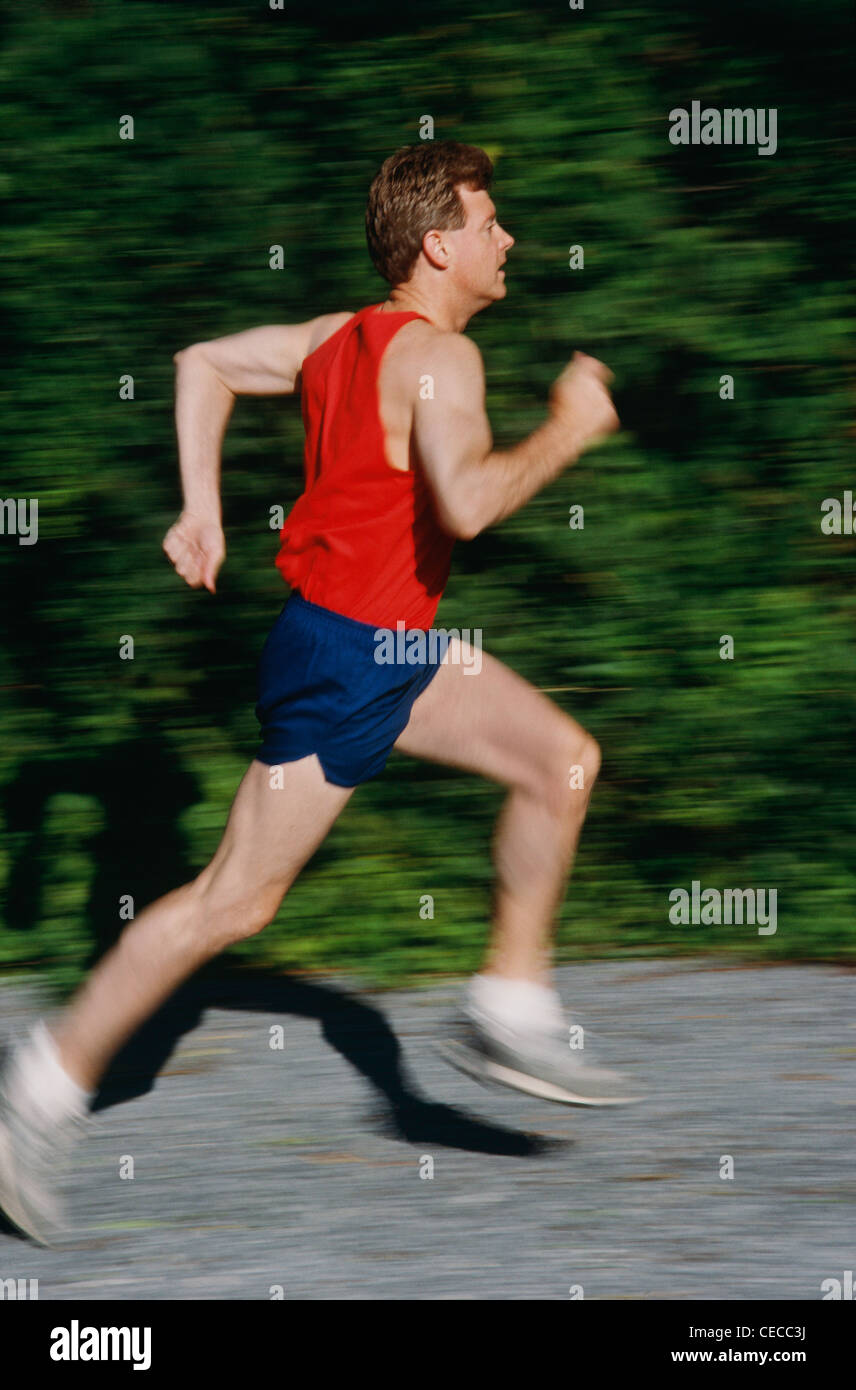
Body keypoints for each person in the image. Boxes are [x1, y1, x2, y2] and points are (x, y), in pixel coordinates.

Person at [0, 140, 641, 1248]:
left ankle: (510, 1005)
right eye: (491, 223)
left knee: (560, 762)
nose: (509, 241)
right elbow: (474, 504)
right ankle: (37, 1094)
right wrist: (571, 430)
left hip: (394, 648)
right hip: (346, 657)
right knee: (232, 904)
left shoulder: (334, 338)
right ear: (440, 242)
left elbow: (201, 361)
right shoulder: (439, 361)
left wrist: (202, 508)